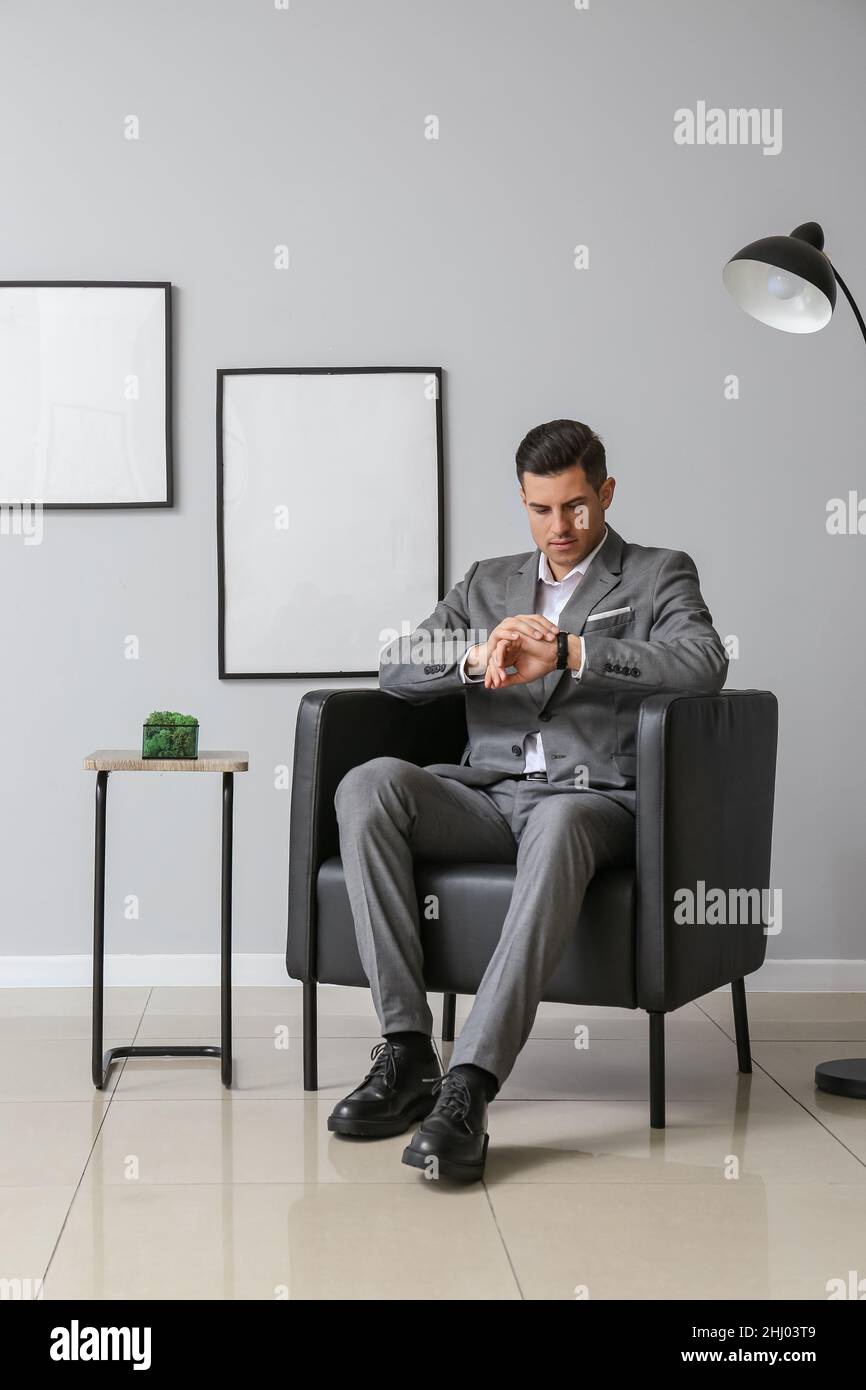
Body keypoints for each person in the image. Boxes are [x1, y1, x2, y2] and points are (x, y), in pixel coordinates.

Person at [328, 419, 728, 1182]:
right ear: (523, 502)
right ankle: (407, 1051)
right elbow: (397, 667)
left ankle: (469, 1087)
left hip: (592, 799)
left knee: (563, 815)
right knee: (367, 783)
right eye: (542, 510)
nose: (561, 527)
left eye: (576, 506)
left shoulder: (657, 573)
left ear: (605, 494)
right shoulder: (485, 582)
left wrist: (573, 652)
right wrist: (477, 656)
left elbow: (702, 663)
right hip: (487, 795)